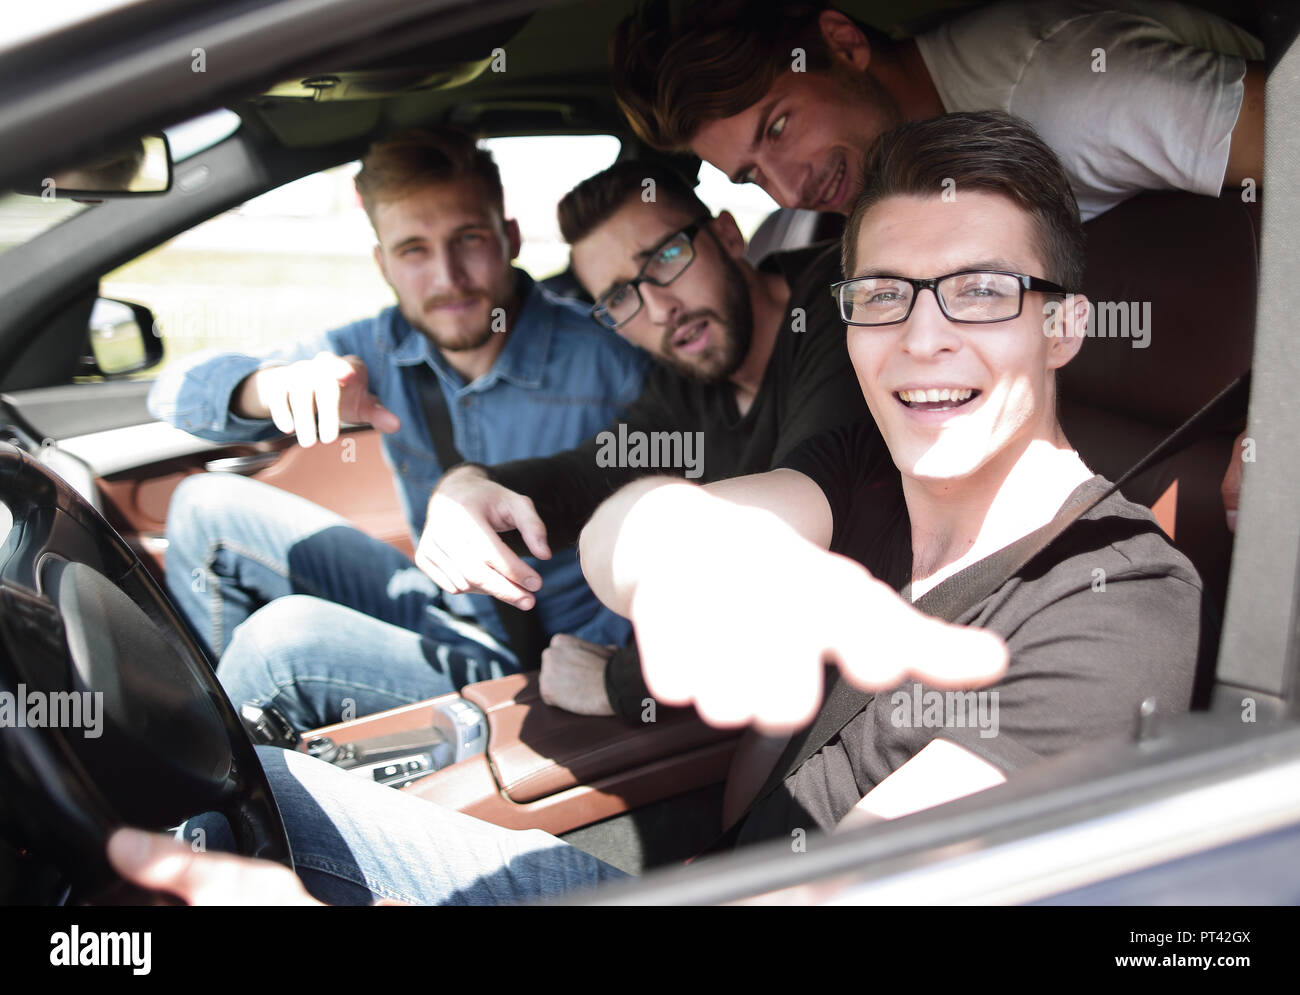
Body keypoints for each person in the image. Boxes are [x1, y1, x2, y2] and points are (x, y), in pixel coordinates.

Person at [109, 111, 1209, 906]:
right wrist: (659, 532)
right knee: (253, 793)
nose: (923, 337)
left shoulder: (1116, 603)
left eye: (980, 290)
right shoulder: (878, 484)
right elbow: (662, 505)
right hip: (693, 850)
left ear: (1063, 325)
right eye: (881, 297)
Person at [146, 128, 649, 733]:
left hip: (542, 657)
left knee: (282, 644)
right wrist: (269, 386)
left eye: (469, 239)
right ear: (383, 264)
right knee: (203, 506)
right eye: (414, 250)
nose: (448, 277)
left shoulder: (610, 359)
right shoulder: (376, 348)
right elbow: (172, 392)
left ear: (509, 237)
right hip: (443, 606)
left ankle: (209, 807)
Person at [422, 159, 869, 721]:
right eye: (620, 297)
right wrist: (470, 488)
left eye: (666, 258)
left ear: (727, 236)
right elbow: (590, 475)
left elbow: (823, 524)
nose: (660, 308)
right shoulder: (687, 386)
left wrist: (621, 682)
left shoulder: (843, 304)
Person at [611, 0, 1265, 220]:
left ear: (843, 44)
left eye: (778, 128)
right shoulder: (901, 168)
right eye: (752, 175)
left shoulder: (1072, 94)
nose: (788, 191)